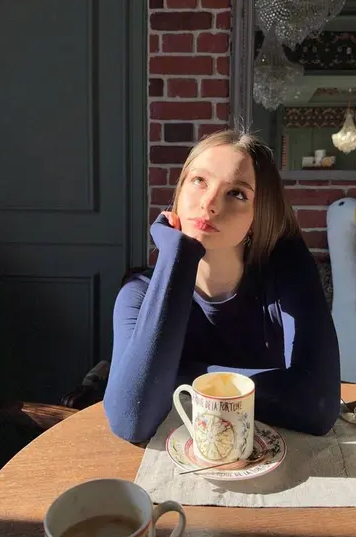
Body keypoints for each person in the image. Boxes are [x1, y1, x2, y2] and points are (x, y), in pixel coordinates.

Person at [104, 130, 341, 443]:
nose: (209, 203)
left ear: (257, 218)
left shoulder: (283, 277)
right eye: (199, 180)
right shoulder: (138, 293)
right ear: (179, 191)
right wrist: (177, 255)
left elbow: (318, 407)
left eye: (237, 193)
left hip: (272, 459)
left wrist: (175, 377)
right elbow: (131, 420)